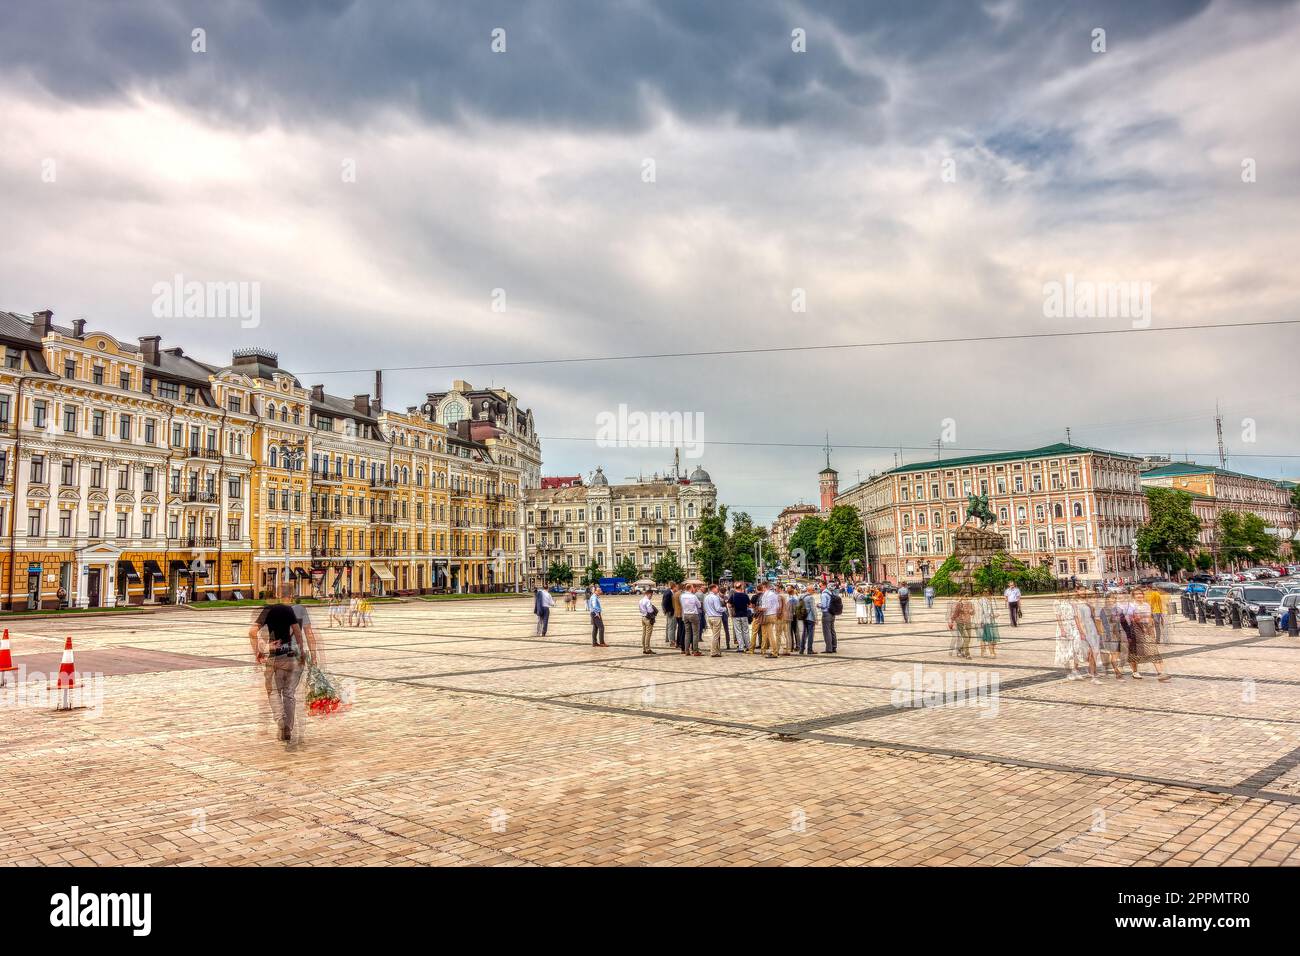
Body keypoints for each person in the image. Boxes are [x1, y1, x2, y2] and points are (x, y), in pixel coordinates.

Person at [248, 585, 314, 743]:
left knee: (273, 692)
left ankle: (281, 722)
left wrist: (258, 651)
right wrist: (302, 652)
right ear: (289, 595)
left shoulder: (267, 611)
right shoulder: (289, 610)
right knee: (289, 693)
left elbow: (252, 632)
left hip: (275, 658)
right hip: (291, 656)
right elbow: (298, 632)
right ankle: (288, 728)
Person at [759, 582, 781, 658]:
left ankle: (774, 652)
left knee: (770, 635)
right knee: (772, 634)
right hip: (774, 614)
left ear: (764, 587)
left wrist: (758, 609)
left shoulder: (766, 595)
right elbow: (778, 606)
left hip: (768, 615)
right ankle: (774, 650)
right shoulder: (774, 594)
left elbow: (765, 607)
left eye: (762, 587)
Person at [680, 584, 702, 656]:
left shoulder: (682, 596)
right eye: (692, 588)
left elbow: (682, 605)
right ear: (690, 588)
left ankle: (686, 650)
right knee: (695, 633)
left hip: (685, 614)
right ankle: (695, 650)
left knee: (687, 633)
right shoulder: (693, 596)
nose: (693, 589)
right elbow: (699, 605)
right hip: (693, 614)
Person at [704, 584, 726, 657]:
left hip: (709, 617)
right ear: (713, 589)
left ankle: (717, 651)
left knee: (715, 634)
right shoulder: (715, 597)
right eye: (717, 588)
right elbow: (718, 608)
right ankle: (713, 652)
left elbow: (705, 608)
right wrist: (725, 609)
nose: (718, 590)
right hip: (716, 617)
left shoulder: (706, 597)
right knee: (716, 636)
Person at [729, 582, 751, 653]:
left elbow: (729, 605)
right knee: (746, 631)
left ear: (735, 588)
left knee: (738, 631)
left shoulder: (733, 596)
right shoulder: (745, 595)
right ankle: (748, 646)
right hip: (744, 615)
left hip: (736, 616)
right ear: (741, 588)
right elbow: (749, 605)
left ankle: (741, 647)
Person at [819, 585, 839, 653]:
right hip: (832, 613)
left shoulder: (824, 594)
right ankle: (834, 647)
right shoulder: (831, 593)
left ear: (824, 586)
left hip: (826, 613)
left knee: (826, 631)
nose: (819, 587)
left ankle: (828, 648)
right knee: (832, 630)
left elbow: (824, 605)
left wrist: (818, 605)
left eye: (820, 586)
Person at [638, 590, 658, 654]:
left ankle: (644, 648)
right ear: (648, 594)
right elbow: (650, 610)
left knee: (644, 633)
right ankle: (648, 648)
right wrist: (654, 610)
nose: (651, 596)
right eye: (651, 595)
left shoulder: (641, 600)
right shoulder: (648, 601)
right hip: (648, 618)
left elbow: (640, 610)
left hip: (643, 617)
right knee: (648, 634)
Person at [799, 585, 818, 655]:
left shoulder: (802, 596)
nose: (814, 591)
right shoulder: (810, 598)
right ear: (809, 590)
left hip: (804, 617)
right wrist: (816, 618)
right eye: (813, 590)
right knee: (810, 634)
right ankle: (809, 649)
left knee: (804, 634)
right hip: (810, 618)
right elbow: (813, 609)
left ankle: (801, 649)